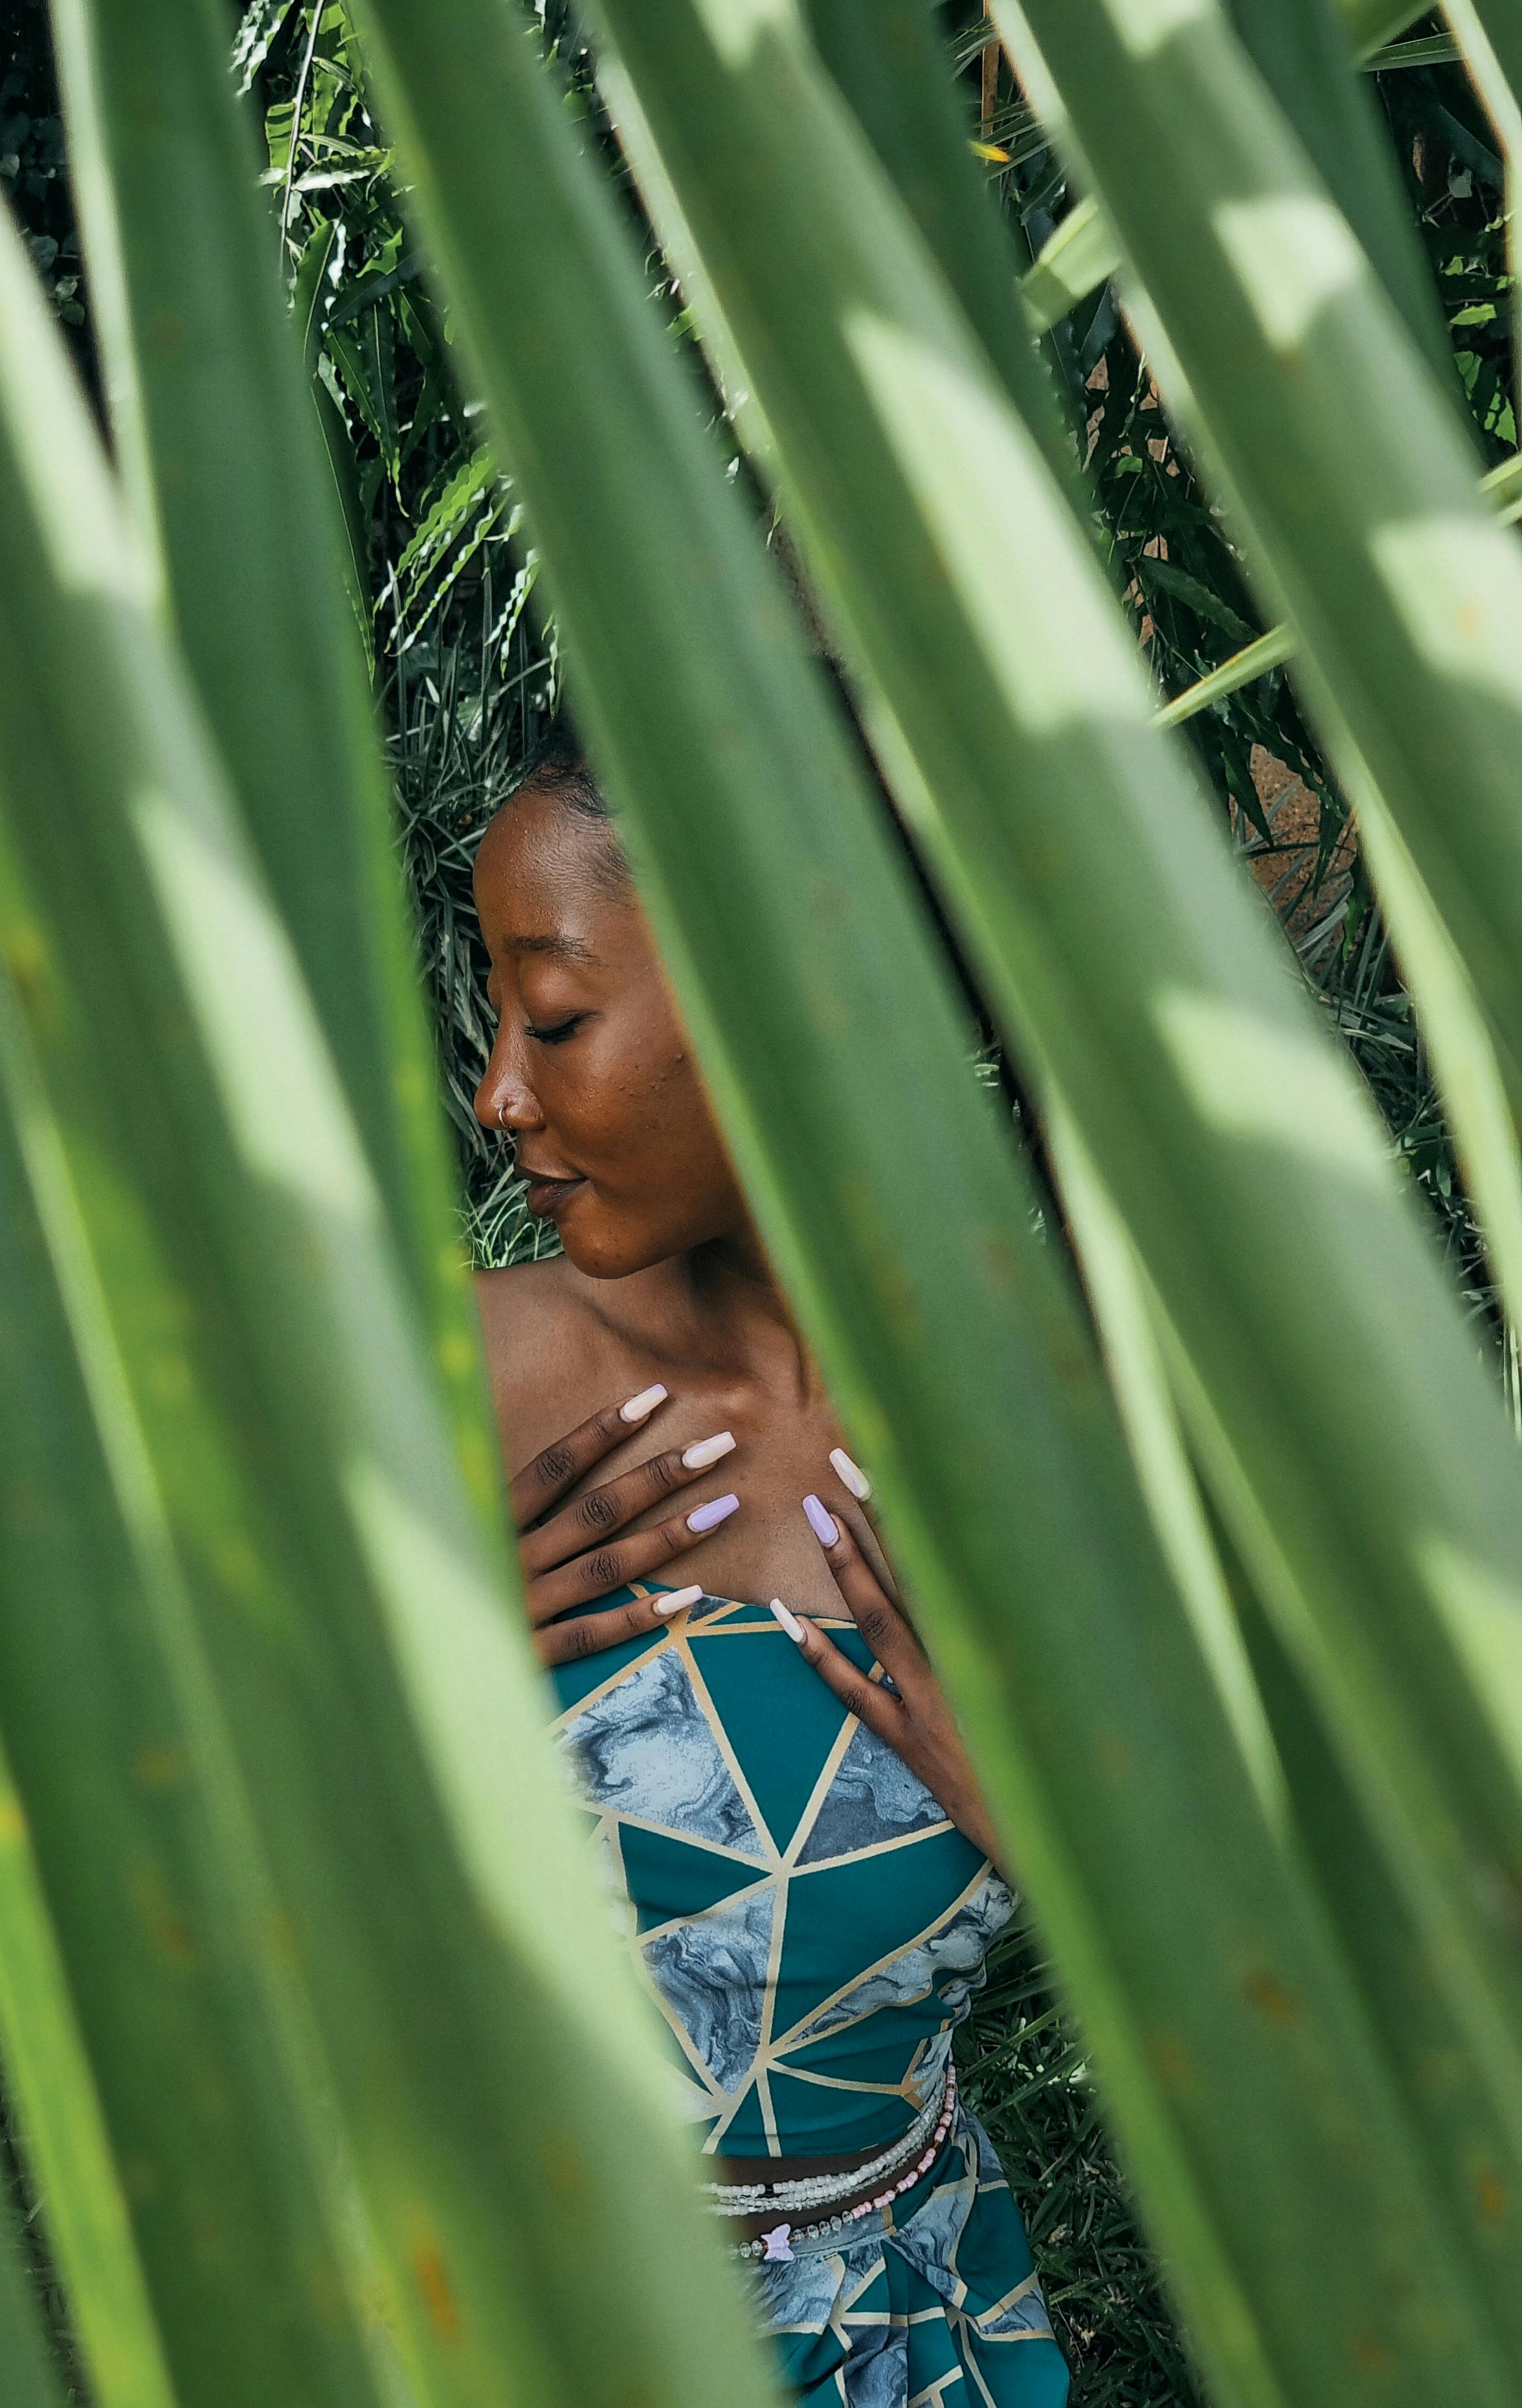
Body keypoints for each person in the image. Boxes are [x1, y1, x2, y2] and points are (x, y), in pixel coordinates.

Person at [473, 726, 1069, 2406]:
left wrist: (1064, 1839)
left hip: (912, 2323)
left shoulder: (1058, 1458)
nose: (499, 1092)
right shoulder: (454, 1388)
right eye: (501, 1019)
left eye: (558, 1018)